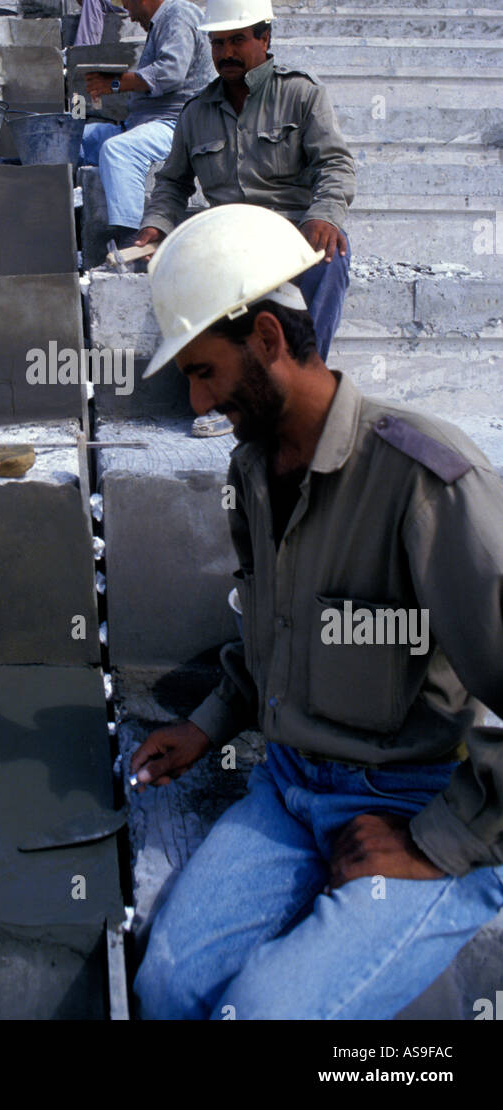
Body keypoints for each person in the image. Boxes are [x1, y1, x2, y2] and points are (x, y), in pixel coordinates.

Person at [131, 203, 503, 1021]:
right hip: (292, 785)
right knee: (166, 987)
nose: (196, 402)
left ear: (267, 339)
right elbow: (271, 629)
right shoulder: (255, 468)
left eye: (204, 371)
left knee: (265, 1014)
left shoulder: (427, 480)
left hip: (416, 800)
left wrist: (437, 844)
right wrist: (209, 723)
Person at [135, 0, 355, 367]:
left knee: (330, 256)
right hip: (226, 240)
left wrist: (323, 215)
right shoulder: (196, 112)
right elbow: (172, 183)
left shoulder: (302, 94)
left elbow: (335, 163)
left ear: (264, 38)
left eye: (238, 40)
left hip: (291, 232)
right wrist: (156, 226)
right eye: (218, 43)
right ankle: (229, 392)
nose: (226, 53)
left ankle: (303, 379)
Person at [79, 0, 214, 242]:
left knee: (118, 151)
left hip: (178, 125)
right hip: (147, 122)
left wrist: (114, 84)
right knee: (76, 139)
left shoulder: (179, 14)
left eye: (126, 3)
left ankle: (130, 243)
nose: (128, 13)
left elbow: (170, 72)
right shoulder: (163, 22)